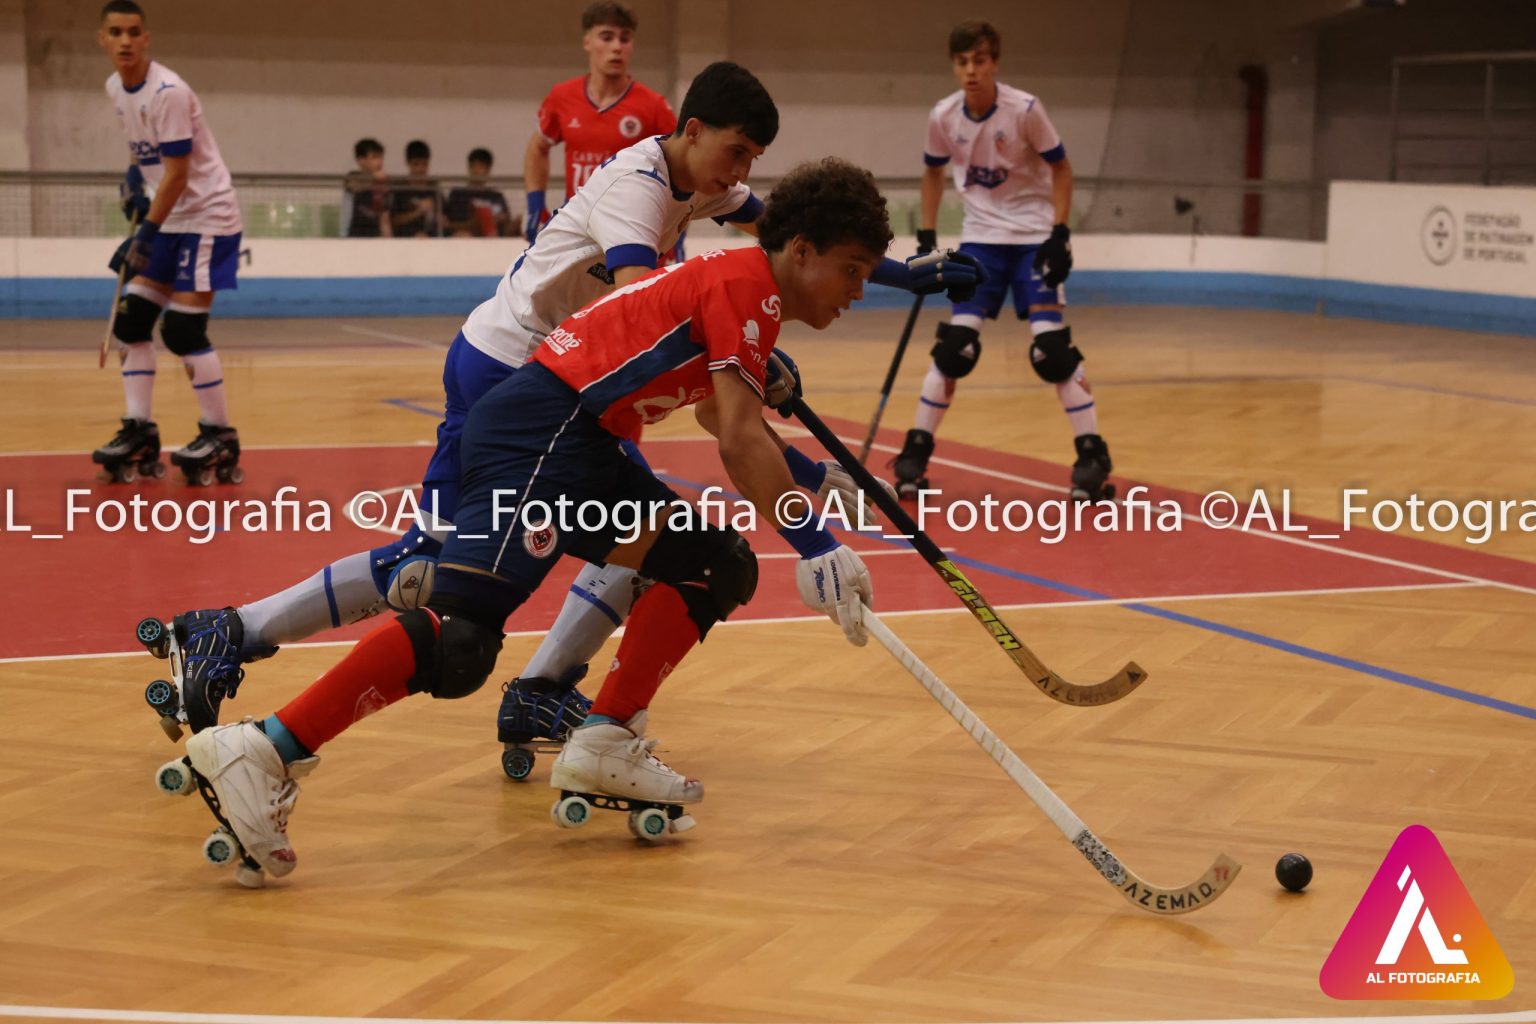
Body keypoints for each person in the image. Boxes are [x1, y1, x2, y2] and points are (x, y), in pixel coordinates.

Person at [147, 63, 976, 778]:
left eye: (754, 159)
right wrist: (744, 354)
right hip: (518, 368)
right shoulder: (636, 189)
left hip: (585, 388)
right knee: (437, 569)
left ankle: (542, 689)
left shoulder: (707, 179)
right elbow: (642, 310)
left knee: (650, 538)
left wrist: (904, 274)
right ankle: (236, 635)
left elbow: (795, 235)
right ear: (691, 132)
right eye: (737, 152)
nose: (742, 173)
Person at [183, 157, 898, 877]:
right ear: (800, 251)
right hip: (543, 433)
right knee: (460, 639)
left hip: (581, 444)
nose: (858, 291)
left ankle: (606, 740)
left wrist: (813, 477)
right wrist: (815, 544)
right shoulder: (747, 290)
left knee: (714, 562)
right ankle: (263, 748)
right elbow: (739, 439)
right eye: (852, 270)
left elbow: (721, 414)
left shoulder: (743, 290)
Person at [891, 19, 1115, 503]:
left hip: (1033, 238)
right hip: (982, 242)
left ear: (994, 63)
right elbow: (932, 173)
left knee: (1051, 351)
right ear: (954, 67)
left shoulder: (1025, 110)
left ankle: (1092, 455)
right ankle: (916, 449)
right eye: (962, 62)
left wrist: (1060, 233)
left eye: (979, 61)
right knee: (955, 348)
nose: (970, 71)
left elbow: (1062, 168)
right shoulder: (943, 115)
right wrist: (927, 234)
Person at [91, 0, 245, 486]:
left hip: (207, 217)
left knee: (181, 331)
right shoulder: (116, 87)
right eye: (116, 32)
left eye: (134, 32)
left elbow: (178, 173)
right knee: (131, 321)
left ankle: (219, 433)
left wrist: (143, 234)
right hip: (170, 216)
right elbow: (145, 153)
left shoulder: (168, 92)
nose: (125, 41)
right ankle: (139, 429)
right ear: (102, 39)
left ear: (146, 38)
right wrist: (133, 181)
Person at [523, 1, 676, 245]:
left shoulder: (654, 105)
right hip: (576, 226)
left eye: (625, 39)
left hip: (632, 227)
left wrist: (678, 230)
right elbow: (537, 148)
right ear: (587, 42)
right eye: (607, 37)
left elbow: (682, 169)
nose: (617, 47)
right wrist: (535, 203)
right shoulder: (562, 97)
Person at [444, 148, 514, 238]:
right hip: (466, 237)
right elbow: (449, 224)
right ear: (469, 167)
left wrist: (501, 219)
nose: (476, 171)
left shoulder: (496, 196)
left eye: (481, 167)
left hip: (494, 238)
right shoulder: (458, 194)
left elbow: (506, 223)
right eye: (473, 166)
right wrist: (476, 222)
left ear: (488, 170)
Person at [390, 139, 441, 238]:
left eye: (424, 164)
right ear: (408, 163)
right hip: (405, 240)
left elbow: (444, 217)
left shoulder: (434, 188)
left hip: (432, 240)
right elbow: (393, 220)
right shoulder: (399, 188)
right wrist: (418, 212)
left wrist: (442, 219)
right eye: (416, 164)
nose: (420, 169)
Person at [343, 138, 392, 238]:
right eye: (374, 157)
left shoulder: (383, 184)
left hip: (375, 238)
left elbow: (384, 217)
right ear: (361, 160)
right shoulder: (353, 176)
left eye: (380, 157)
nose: (379, 162)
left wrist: (389, 242)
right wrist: (373, 179)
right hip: (353, 238)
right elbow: (352, 185)